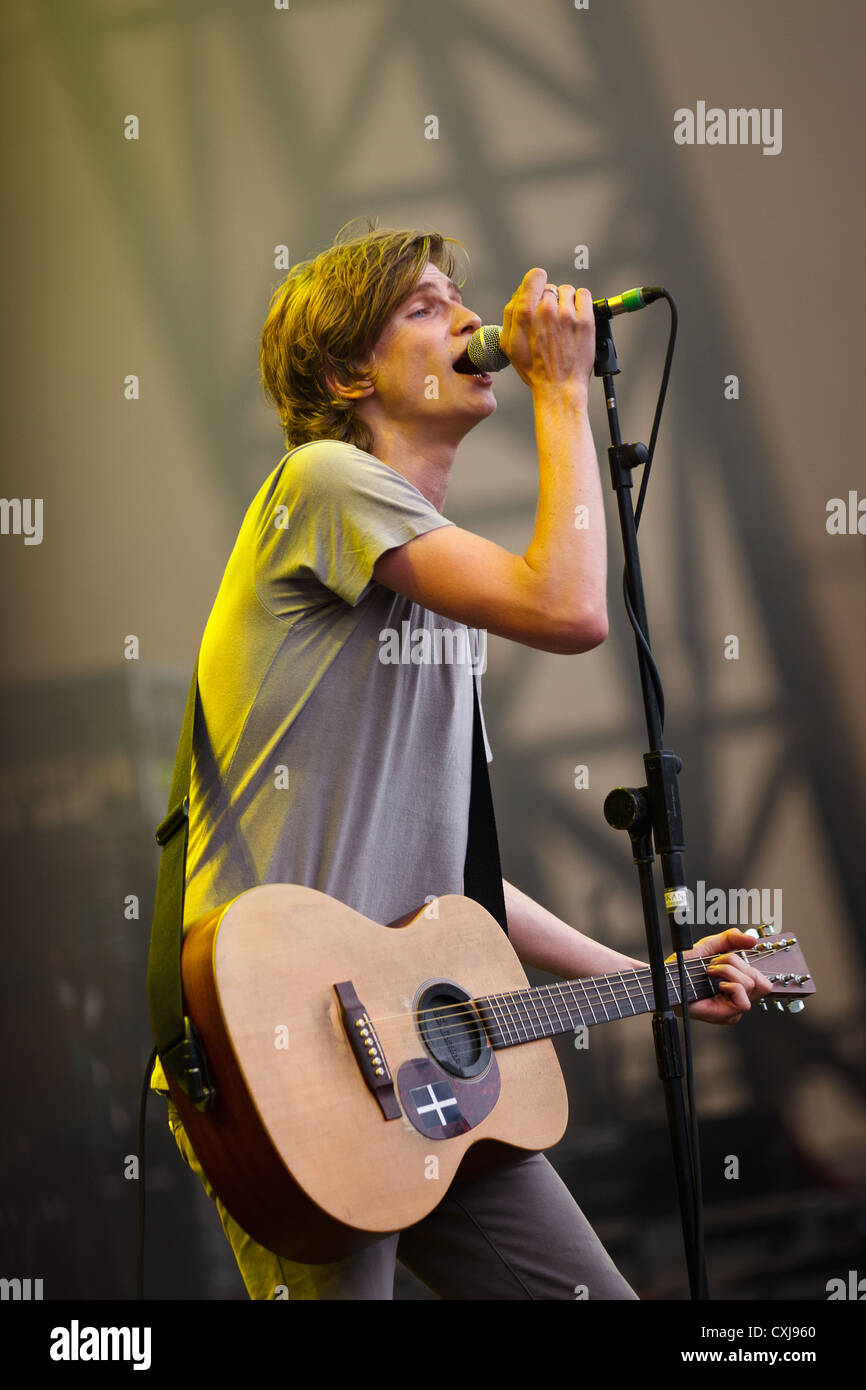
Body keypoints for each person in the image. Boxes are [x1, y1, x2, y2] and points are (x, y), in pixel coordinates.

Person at [150, 219, 773, 1299]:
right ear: (349, 372)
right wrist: (563, 393)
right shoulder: (324, 480)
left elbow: (456, 887)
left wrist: (653, 981)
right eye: (424, 307)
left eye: (455, 297)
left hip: (414, 1062)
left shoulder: (431, 604)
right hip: (284, 1053)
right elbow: (571, 608)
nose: (470, 321)